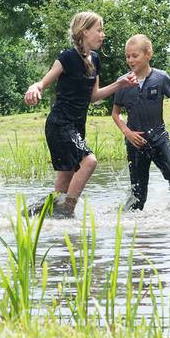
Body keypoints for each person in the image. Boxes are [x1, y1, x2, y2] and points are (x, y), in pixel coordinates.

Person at [22, 11, 138, 219]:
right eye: (99, 30)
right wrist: (34, 88)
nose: (103, 34)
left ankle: (28, 216)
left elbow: (93, 96)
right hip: (60, 124)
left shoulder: (95, 59)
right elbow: (43, 82)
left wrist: (119, 84)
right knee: (90, 161)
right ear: (85, 32)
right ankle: (67, 211)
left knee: (62, 185)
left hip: (76, 126)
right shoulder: (67, 57)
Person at [111, 34, 170, 211]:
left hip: (159, 138)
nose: (130, 60)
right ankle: (126, 220)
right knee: (138, 198)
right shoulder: (122, 83)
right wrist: (127, 132)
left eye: (135, 55)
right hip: (135, 142)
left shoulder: (161, 78)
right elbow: (116, 113)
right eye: (127, 56)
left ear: (148, 54)